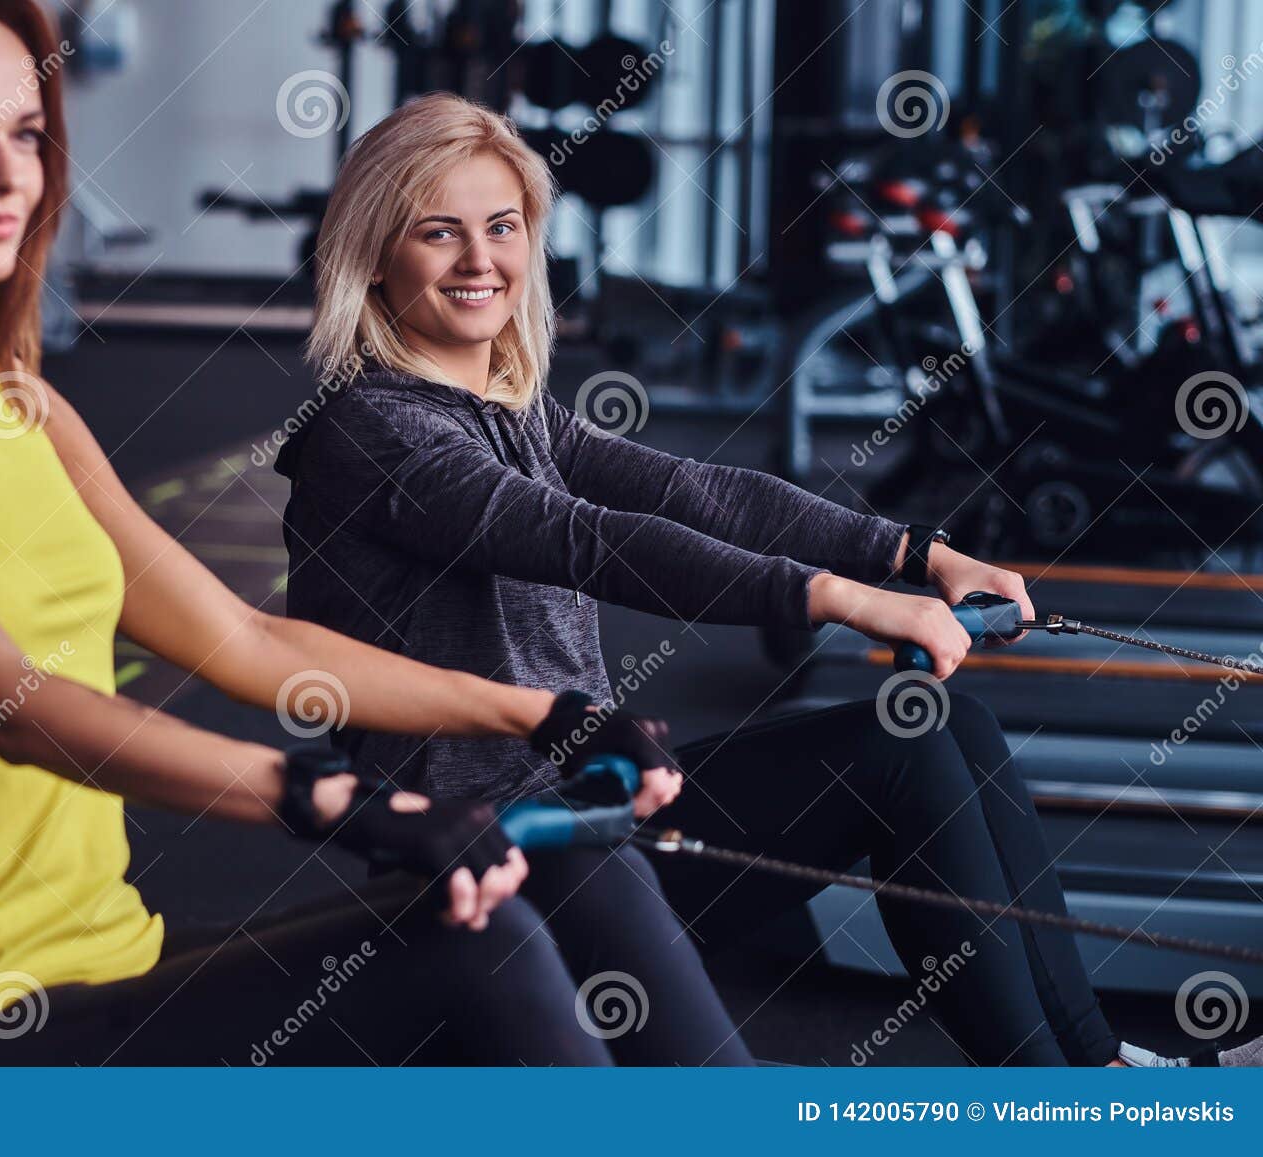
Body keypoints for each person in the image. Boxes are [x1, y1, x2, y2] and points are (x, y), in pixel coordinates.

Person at [0, 0, 741, 1067]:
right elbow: (11, 706)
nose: (6, 175)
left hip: (123, 962)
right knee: (474, 952)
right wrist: (331, 794)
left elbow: (250, 645)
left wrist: (551, 713)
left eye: (24, 134)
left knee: (523, 902)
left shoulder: (24, 404)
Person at [275, 92, 1262, 1068]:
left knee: (930, 733)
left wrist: (914, 555)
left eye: (500, 227)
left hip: (598, 802)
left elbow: (693, 490)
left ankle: (1095, 1076)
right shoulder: (370, 430)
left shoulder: (512, 405)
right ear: (374, 252)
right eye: (438, 233)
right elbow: (586, 539)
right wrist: (837, 597)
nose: (480, 260)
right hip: (492, 867)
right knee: (901, 747)